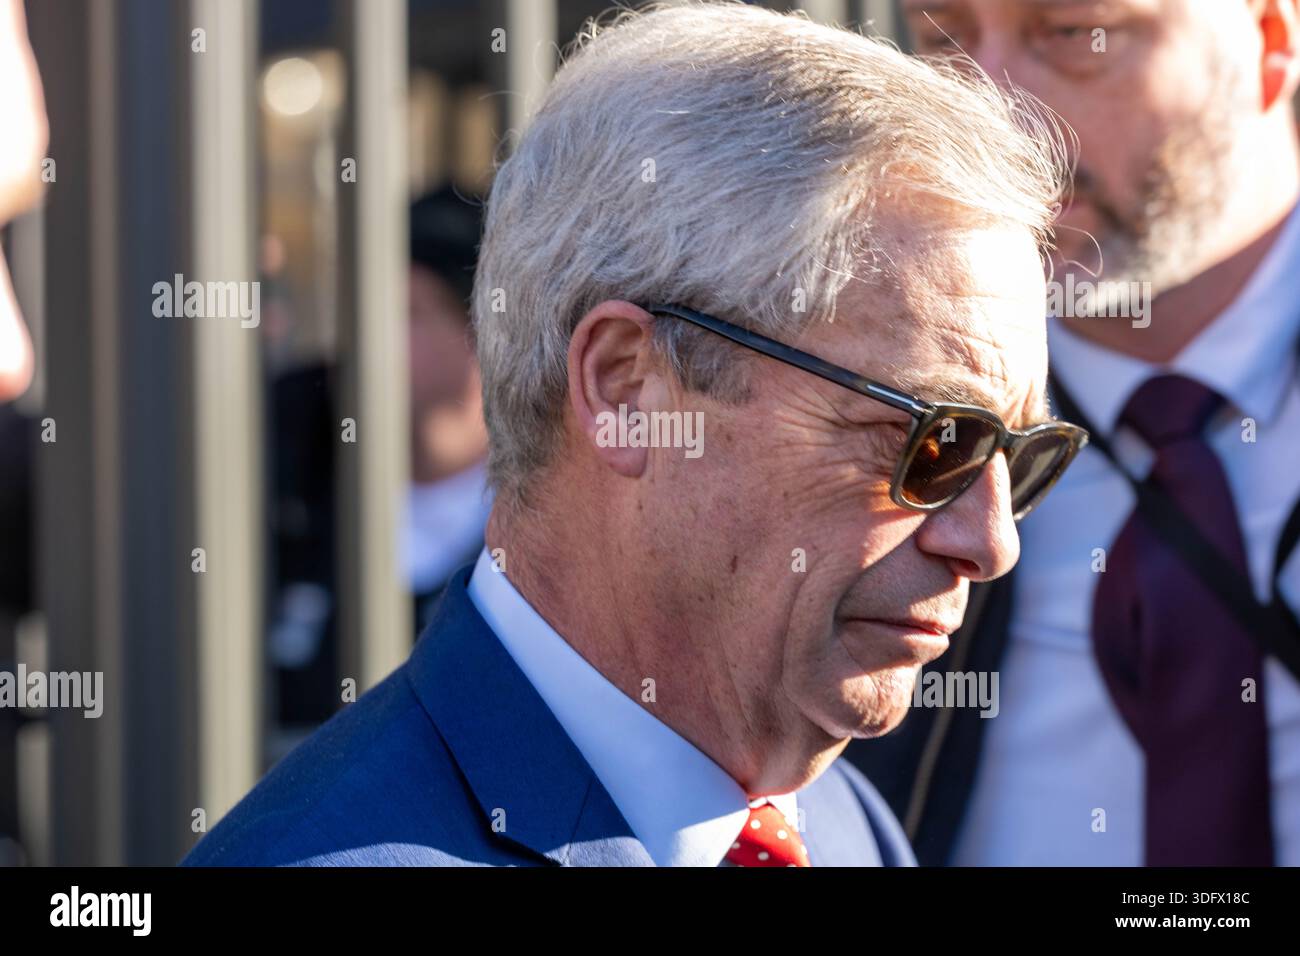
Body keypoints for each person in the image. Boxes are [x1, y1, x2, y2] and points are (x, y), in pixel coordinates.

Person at [183, 0, 1079, 867]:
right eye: (936, 439)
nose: (990, 542)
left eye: (1020, 458)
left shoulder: (842, 827)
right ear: (626, 388)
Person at [848, 0, 1300, 866]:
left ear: (1270, 46)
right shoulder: (826, 403)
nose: (991, 110)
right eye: (944, 40)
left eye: (1072, 34)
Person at [269, 187, 491, 726]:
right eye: (364, 311)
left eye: (408, 312)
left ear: (481, 330)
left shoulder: (552, 514)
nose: (371, 337)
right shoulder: (290, 453)